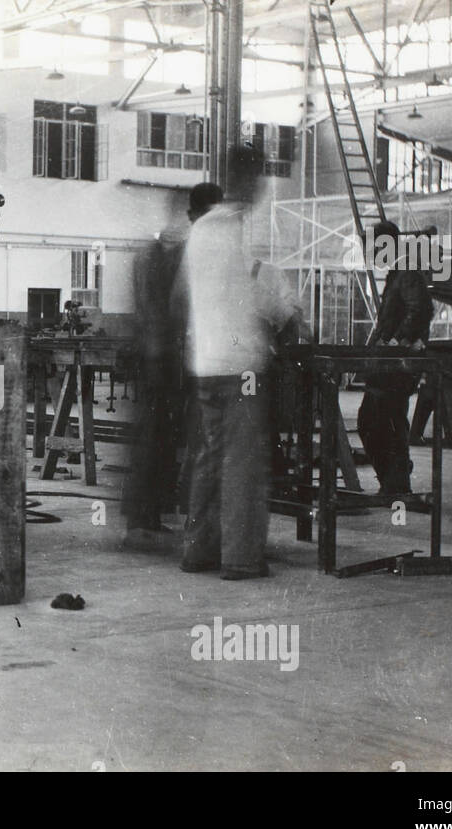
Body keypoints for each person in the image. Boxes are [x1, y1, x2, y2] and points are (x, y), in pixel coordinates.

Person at [178, 145, 306, 580]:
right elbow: (267, 297)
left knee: (210, 459)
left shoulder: (201, 228)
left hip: (206, 364)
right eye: (260, 178)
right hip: (242, 370)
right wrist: (291, 323)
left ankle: (198, 552)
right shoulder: (237, 226)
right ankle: (240, 559)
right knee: (244, 465)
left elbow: (185, 295)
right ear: (249, 179)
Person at [123, 182, 223, 551]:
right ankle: (141, 522)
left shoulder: (163, 250)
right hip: (160, 358)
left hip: (166, 358)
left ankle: (148, 519)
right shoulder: (162, 253)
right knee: (155, 438)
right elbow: (169, 307)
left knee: (161, 438)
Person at [358, 220, 433, 495]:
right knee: (382, 422)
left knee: (380, 421)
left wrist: (396, 342)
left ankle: (397, 481)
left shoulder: (407, 272)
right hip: (388, 364)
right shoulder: (398, 272)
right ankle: (395, 478)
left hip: (396, 366)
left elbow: (422, 309)